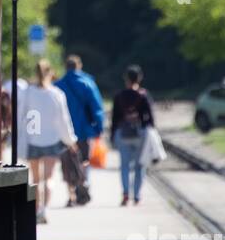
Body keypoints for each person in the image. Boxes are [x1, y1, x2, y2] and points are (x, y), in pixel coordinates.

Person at [22, 60, 77, 224]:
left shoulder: (28, 92)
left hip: (33, 139)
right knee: (49, 178)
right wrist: (70, 140)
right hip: (52, 141)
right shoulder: (56, 94)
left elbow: (24, 115)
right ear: (50, 73)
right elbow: (63, 120)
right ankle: (44, 210)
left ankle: (36, 208)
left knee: (36, 179)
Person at [55, 54, 105, 205]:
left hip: (64, 132)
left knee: (67, 162)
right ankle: (84, 184)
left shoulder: (58, 85)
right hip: (84, 130)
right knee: (84, 160)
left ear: (66, 67)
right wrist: (100, 128)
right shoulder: (88, 83)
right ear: (79, 66)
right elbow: (97, 108)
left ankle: (71, 195)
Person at [110, 65, 155, 206]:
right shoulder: (143, 95)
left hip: (123, 133)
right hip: (139, 133)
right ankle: (136, 195)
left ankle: (125, 193)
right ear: (139, 78)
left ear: (126, 79)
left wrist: (112, 135)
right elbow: (150, 118)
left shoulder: (119, 96)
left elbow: (114, 118)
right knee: (139, 165)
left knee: (124, 165)